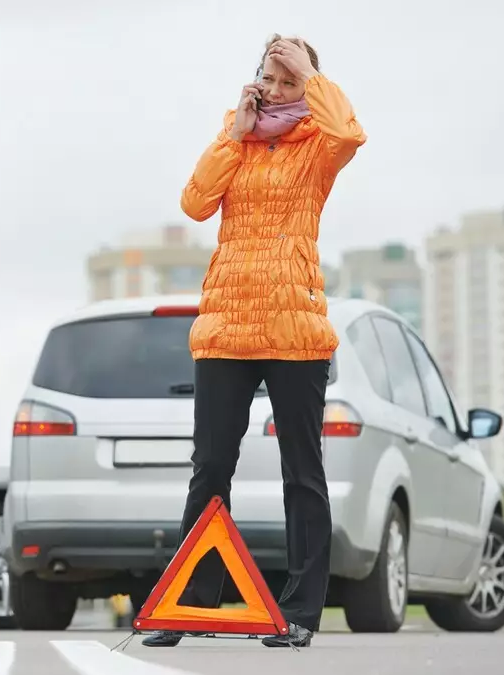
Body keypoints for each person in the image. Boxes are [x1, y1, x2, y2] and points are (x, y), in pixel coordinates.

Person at [142, 34, 365, 649]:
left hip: (294, 329)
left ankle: (300, 612)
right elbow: (194, 204)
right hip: (225, 327)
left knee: (302, 470)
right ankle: (191, 605)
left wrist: (312, 77)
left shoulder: (320, 144)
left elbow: (351, 134)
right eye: (271, 76)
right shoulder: (235, 136)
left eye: (291, 80)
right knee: (210, 466)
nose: (276, 89)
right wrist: (233, 135)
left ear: (310, 87)